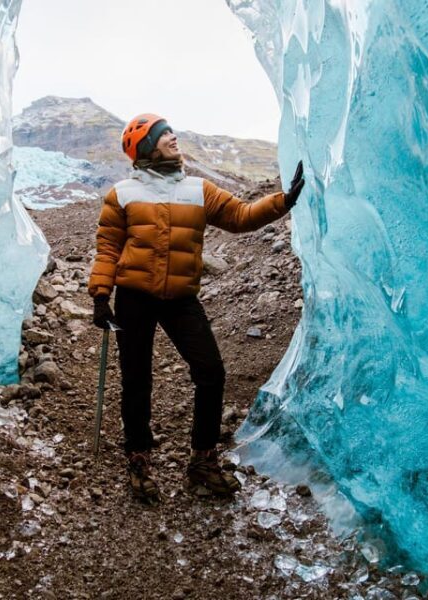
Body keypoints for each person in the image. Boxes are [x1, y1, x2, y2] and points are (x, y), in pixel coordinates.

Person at [88, 113, 304, 503]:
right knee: (136, 380)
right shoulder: (122, 193)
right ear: (145, 146)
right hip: (134, 298)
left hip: (181, 299)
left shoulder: (197, 189)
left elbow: (239, 216)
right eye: (163, 133)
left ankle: (202, 461)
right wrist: (101, 295)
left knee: (211, 371)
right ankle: (138, 459)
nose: (173, 137)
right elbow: (108, 249)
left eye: (170, 130)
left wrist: (283, 202)